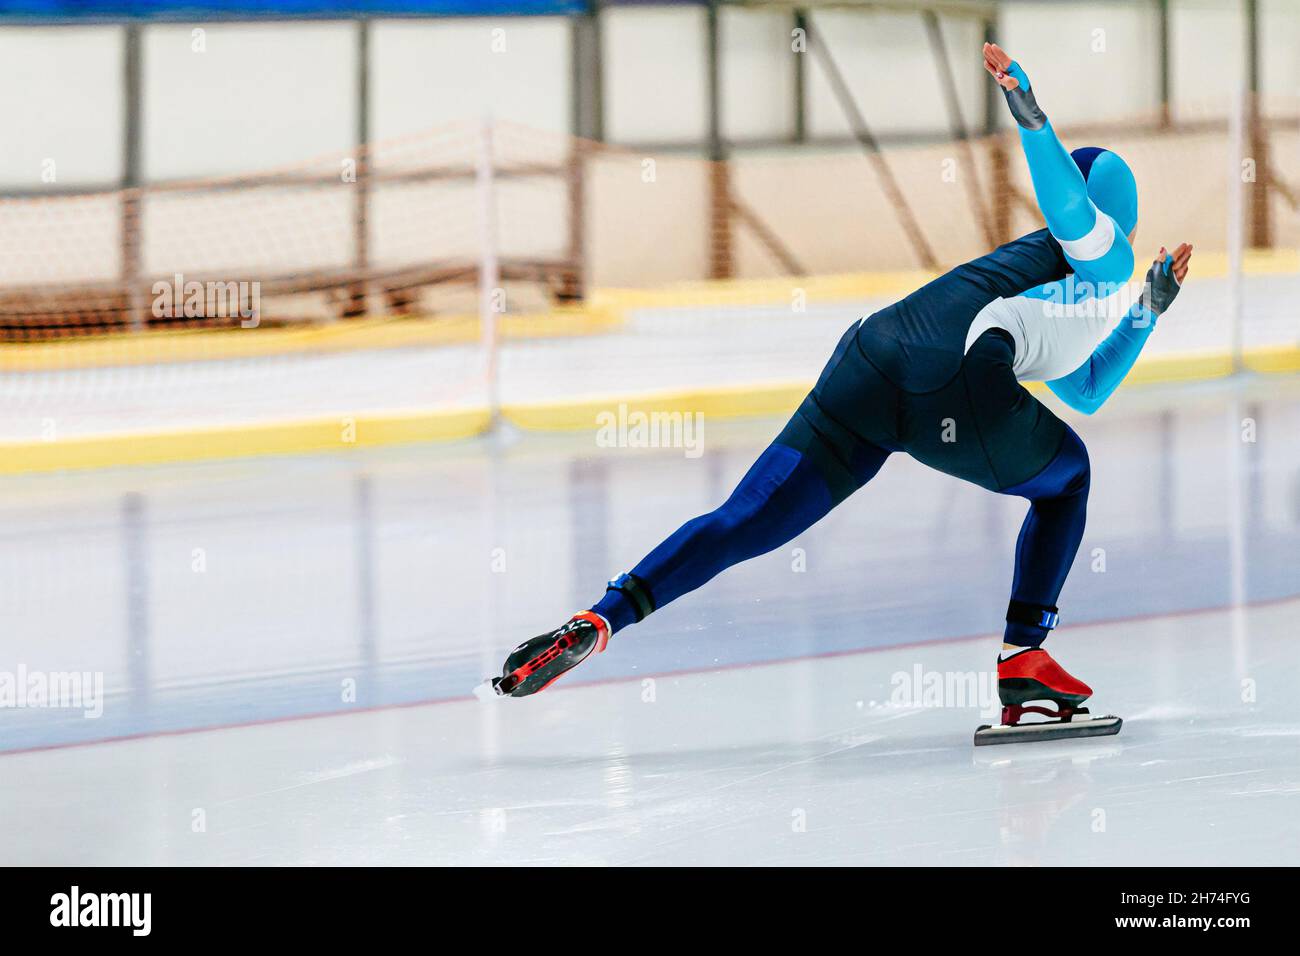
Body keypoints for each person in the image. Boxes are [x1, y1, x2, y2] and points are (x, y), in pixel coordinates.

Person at [491, 44, 1192, 733]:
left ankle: (601, 618)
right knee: (1068, 481)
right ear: (1119, 213)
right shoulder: (1102, 254)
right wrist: (1031, 114)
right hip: (951, 380)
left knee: (745, 519)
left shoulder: (1061, 294)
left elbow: (1090, 387)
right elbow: (1068, 207)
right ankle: (1025, 655)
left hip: (870, 358)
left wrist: (1149, 311)